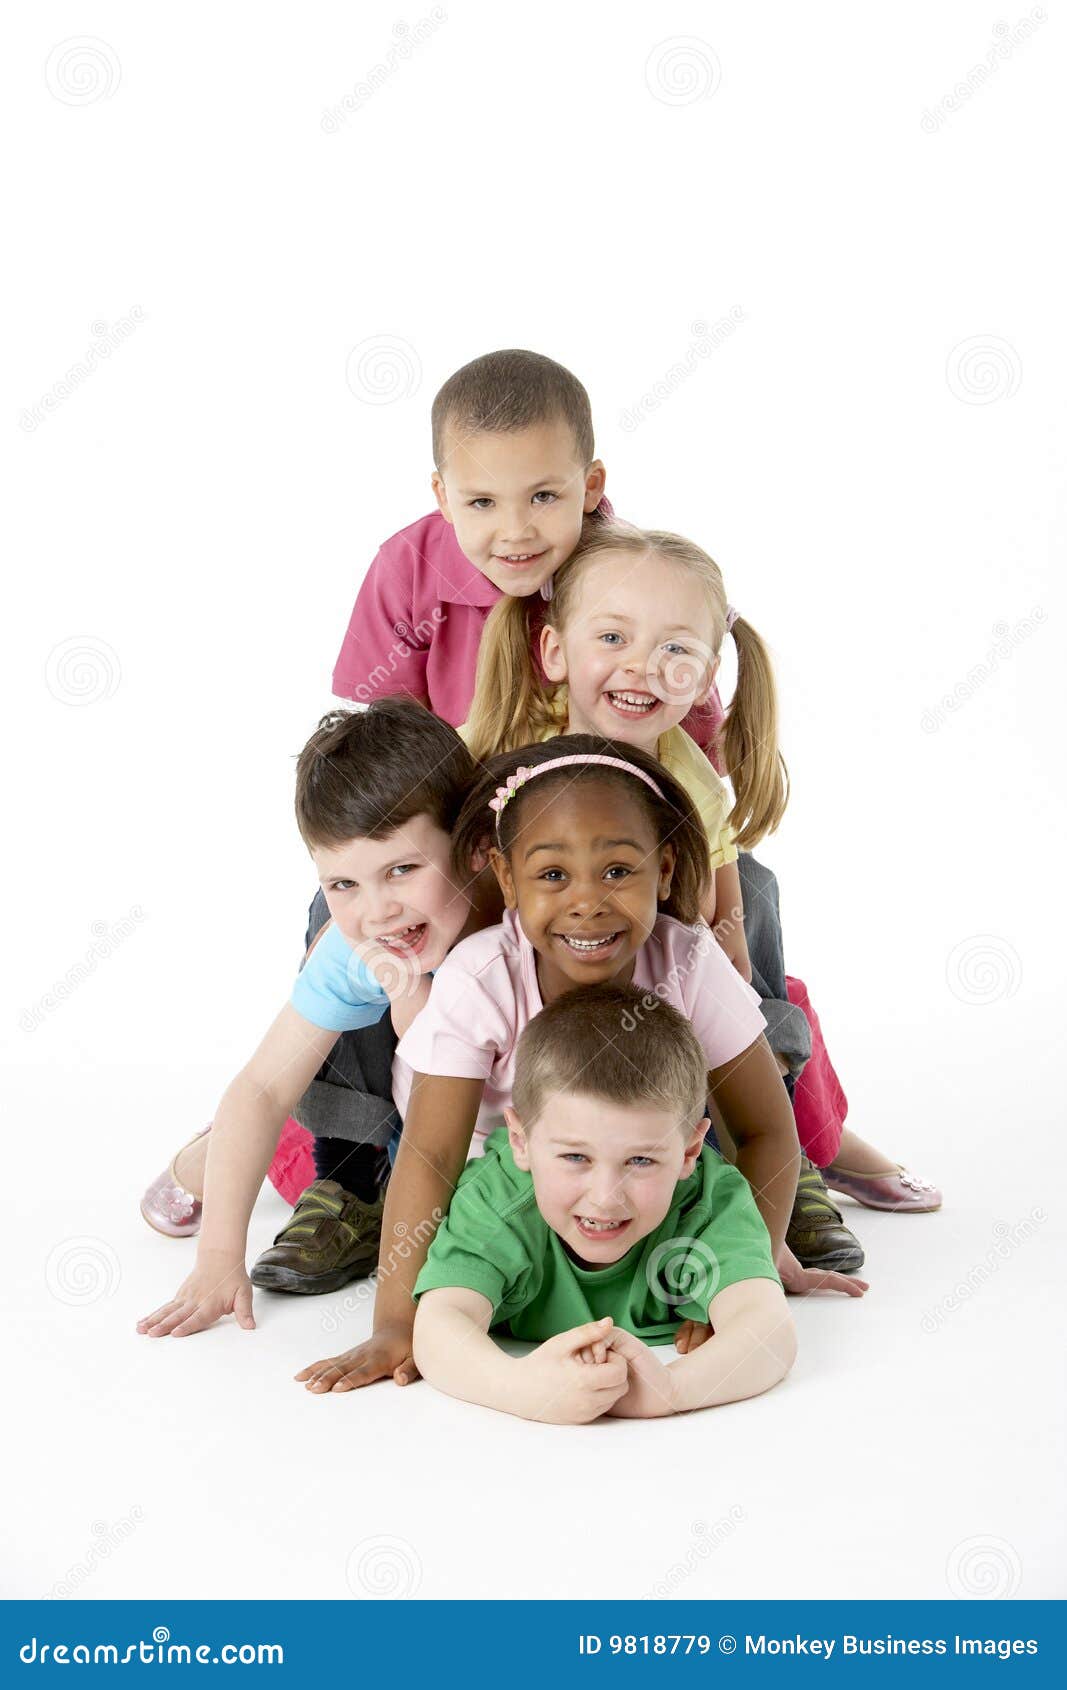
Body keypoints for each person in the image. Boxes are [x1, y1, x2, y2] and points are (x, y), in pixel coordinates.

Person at [295, 735, 866, 1399]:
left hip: (641, 1160)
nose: (587, 902)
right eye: (552, 875)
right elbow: (429, 1155)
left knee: (699, 1185)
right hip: (504, 1172)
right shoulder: (482, 977)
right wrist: (396, 1322)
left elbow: (766, 1129)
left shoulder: (687, 959)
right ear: (507, 879)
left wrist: (752, 1264)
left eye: (619, 871)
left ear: (666, 867)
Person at [136, 698, 499, 1337]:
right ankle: (210, 1157)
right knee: (285, 1134)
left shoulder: (538, 927)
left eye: (403, 870)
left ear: (474, 846)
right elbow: (261, 1087)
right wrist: (220, 1258)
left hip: (464, 1138)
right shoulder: (362, 949)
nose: (379, 911)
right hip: (408, 1139)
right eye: (343, 885)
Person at [412, 983, 796, 1422]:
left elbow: (770, 1329)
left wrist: (670, 1389)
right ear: (521, 1141)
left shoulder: (710, 1201)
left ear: (689, 1153)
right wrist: (521, 1389)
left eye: (640, 1160)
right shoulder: (498, 1199)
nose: (605, 1196)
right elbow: (439, 1325)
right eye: (576, 1157)